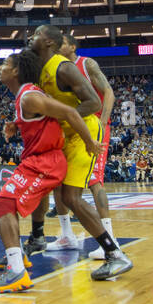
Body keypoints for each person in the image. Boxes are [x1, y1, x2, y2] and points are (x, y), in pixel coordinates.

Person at [0, 50, 101, 293]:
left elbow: (69, 112)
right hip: (38, 160)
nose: (0, 67)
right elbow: (43, 119)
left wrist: (89, 141)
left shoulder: (28, 95)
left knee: (3, 205)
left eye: (5, 63)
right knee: (5, 204)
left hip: (46, 162)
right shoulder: (24, 96)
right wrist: (17, 124)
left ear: (15, 71)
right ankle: (18, 257)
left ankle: (17, 271)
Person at [26, 25, 132, 279]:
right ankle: (40, 236)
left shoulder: (64, 67)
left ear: (50, 42)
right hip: (65, 133)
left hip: (84, 132)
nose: (31, 37)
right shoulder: (39, 69)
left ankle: (115, 254)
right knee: (52, 186)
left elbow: (94, 102)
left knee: (73, 196)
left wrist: (64, 119)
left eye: (37, 34)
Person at [59, 31, 117, 259]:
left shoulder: (86, 64)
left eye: (62, 43)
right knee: (61, 182)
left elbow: (108, 92)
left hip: (93, 128)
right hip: (71, 130)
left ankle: (110, 239)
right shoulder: (60, 69)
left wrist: (103, 120)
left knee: (94, 181)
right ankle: (66, 235)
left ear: (72, 46)